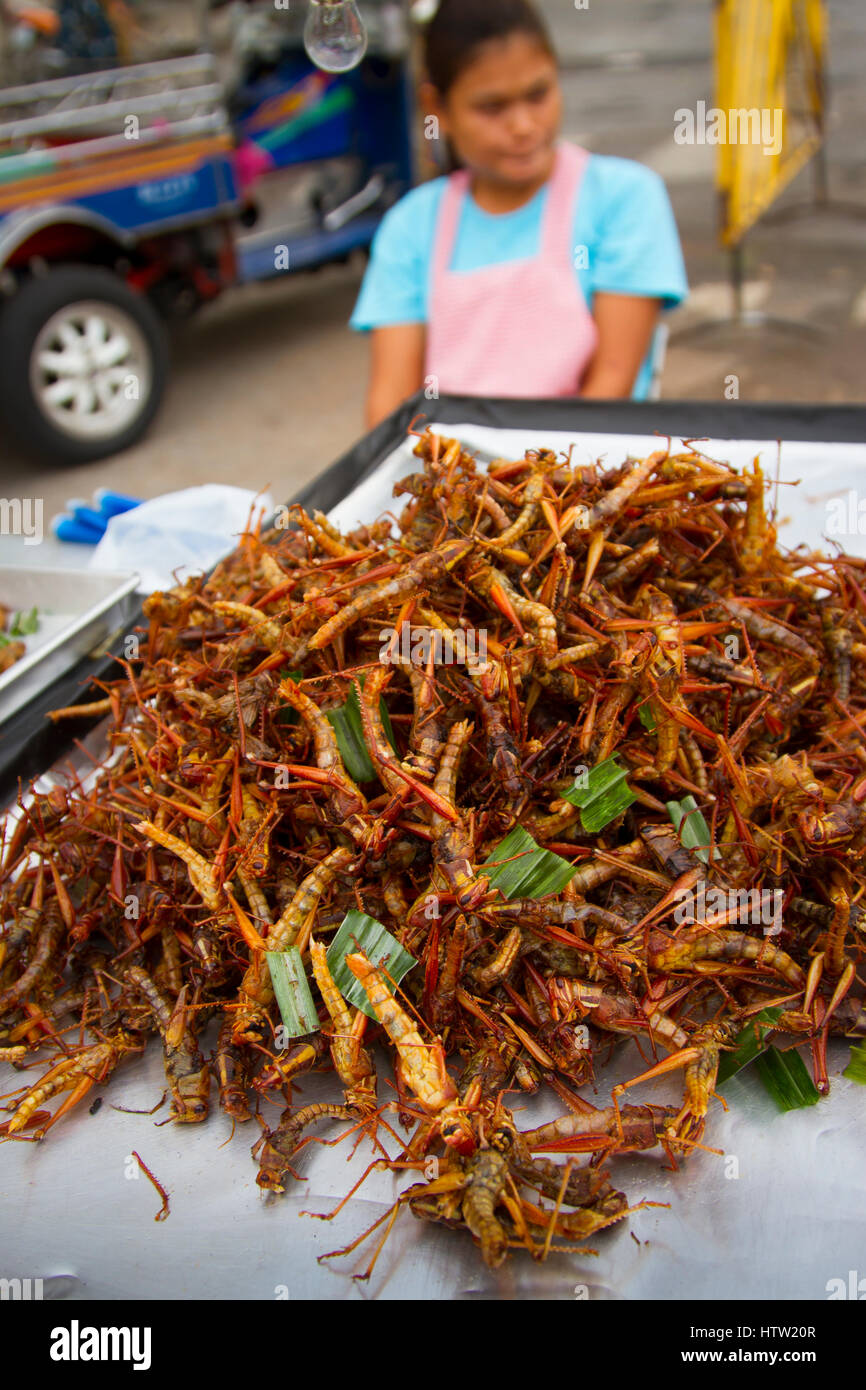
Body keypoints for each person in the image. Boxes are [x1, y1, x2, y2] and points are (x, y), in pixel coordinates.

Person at [351, 0, 688, 428]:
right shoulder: (410, 226)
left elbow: (612, 383)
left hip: (583, 471)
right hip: (450, 481)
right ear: (437, 108)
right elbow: (390, 405)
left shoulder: (625, 198)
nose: (524, 125)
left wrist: (540, 488)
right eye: (492, 107)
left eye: (538, 94)